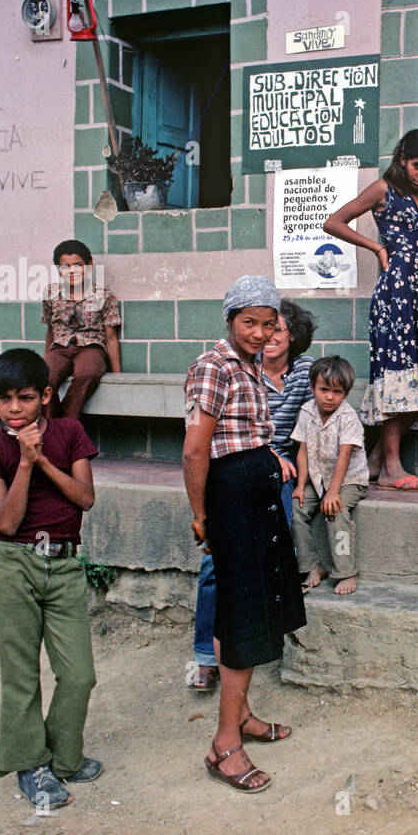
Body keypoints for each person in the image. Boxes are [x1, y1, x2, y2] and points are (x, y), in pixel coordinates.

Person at [182, 276, 306, 794]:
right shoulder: (214, 367)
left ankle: (245, 715)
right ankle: (224, 745)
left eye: (267, 323)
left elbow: (247, 433)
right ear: (230, 320)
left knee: (258, 605)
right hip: (230, 499)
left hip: (256, 489)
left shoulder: (251, 366)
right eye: (248, 322)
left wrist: (271, 456)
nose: (258, 332)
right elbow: (195, 451)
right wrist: (200, 514)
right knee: (242, 614)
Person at [0, 348, 102, 809]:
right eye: (5, 400)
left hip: (63, 565)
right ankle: (32, 766)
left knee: (79, 674)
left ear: (45, 395)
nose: (15, 409)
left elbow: (85, 498)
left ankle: (64, 757)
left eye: (25, 398)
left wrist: (42, 460)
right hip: (13, 565)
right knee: (21, 674)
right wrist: (23, 463)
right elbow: (7, 522)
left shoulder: (70, 433)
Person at [187, 300, 315, 693]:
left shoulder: (299, 373)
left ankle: (258, 650)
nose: (266, 336)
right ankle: (207, 656)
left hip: (275, 471)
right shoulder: (224, 367)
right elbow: (202, 444)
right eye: (254, 325)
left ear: (292, 336)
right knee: (220, 571)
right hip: (239, 477)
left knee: (272, 565)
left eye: (275, 328)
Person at [323, 128, 418, 490]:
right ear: (402, 159)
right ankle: (391, 468)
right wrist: (377, 248)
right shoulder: (384, 189)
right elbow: (333, 221)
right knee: (398, 375)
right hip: (396, 293)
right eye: (417, 166)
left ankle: (375, 460)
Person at [291, 356, 371, 596]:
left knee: (335, 511)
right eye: (324, 389)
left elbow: (345, 457)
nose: (329, 397)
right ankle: (311, 565)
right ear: (312, 387)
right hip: (317, 479)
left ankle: (346, 571)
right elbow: (302, 450)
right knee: (295, 508)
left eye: (336, 392)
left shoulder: (347, 417)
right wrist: (300, 484)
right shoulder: (306, 412)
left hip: (349, 480)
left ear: (345, 394)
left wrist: (334, 492)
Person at [42, 239, 121, 420]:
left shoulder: (104, 295)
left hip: (91, 347)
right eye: (65, 266)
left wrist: (118, 377)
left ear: (89, 265)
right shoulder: (51, 294)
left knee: (88, 372)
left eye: (78, 265)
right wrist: (46, 358)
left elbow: (110, 337)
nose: (72, 270)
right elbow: (50, 330)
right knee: (44, 376)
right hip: (60, 347)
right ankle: (50, 424)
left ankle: (68, 423)